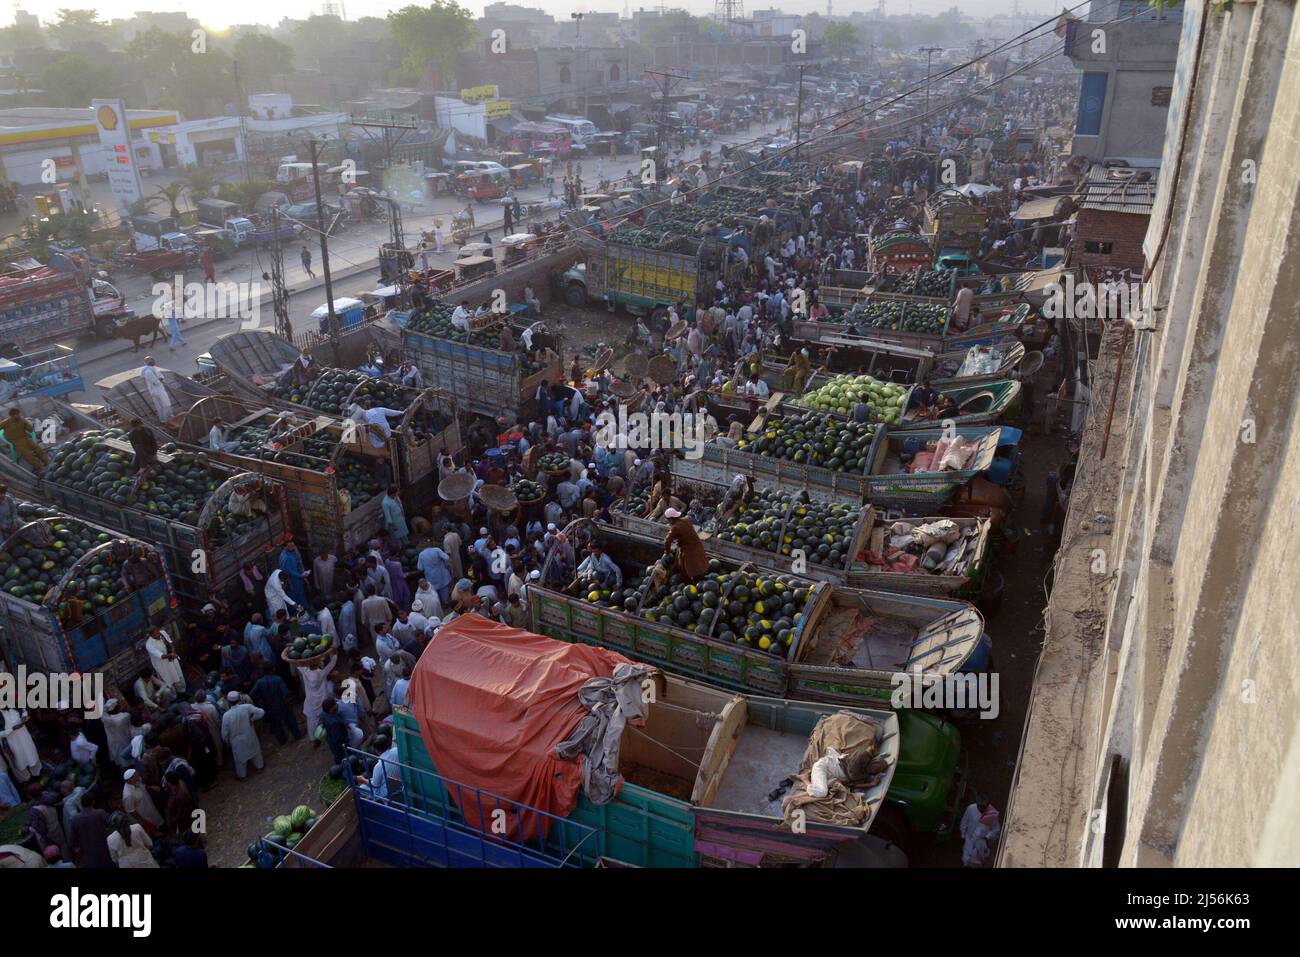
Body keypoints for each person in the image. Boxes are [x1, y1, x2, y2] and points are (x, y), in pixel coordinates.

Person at [250, 662, 301, 746]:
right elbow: (285, 692)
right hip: (282, 704)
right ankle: (297, 735)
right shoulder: (278, 679)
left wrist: (260, 699)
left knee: (276, 725)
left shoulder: (260, 682)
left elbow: (252, 693)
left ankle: (282, 741)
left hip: (269, 707)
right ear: (272, 670)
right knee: (290, 721)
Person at [220, 691, 265, 781]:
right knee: (255, 752)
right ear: (239, 699)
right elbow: (261, 712)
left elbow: (224, 732)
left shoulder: (226, 715)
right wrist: (252, 719)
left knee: (239, 760)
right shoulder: (247, 707)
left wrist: (226, 741)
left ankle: (242, 776)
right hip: (249, 735)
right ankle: (260, 767)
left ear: (228, 702)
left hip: (236, 741)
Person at [68, 792, 114, 868]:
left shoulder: (75, 819)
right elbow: (113, 825)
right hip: (105, 849)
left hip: (89, 852)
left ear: (81, 803)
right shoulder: (100, 813)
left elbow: (72, 841)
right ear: (93, 802)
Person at [663, 508, 709, 582]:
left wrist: (667, 552)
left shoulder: (675, 528)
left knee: (689, 568)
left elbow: (667, 542)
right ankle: (699, 579)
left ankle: (690, 582)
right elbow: (686, 533)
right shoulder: (686, 519)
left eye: (669, 520)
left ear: (671, 519)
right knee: (699, 565)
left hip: (688, 550)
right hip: (698, 545)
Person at [299, 652, 335, 741]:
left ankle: (314, 738)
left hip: (311, 700)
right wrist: (334, 653)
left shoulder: (305, 671)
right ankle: (327, 734)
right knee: (325, 717)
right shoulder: (320, 673)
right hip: (321, 699)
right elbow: (331, 664)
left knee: (312, 721)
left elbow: (298, 663)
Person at [0, 708, 40, 781]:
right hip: (11, 742)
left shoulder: (15, 706)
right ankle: (26, 781)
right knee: (18, 762)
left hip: (24, 736)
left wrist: (24, 717)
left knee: (32, 754)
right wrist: (12, 729)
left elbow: (24, 711)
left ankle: (38, 774)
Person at [960, 798, 1001, 867]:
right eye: (980, 807)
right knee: (966, 859)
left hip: (981, 840)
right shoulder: (971, 809)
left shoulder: (991, 812)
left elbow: (996, 828)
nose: (982, 809)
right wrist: (963, 834)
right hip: (969, 838)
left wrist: (988, 837)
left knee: (978, 859)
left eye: (984, 808)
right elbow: (964, 821)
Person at [145, 628, 186, 695]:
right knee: (168, 679)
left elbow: (170, 642)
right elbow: (161, 656)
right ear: (151, 635)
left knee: (178, 674)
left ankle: (182, 691)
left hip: (171, 658)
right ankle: (174, 696)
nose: (158, 635)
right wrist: (171, 654)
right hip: (162, 664)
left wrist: (173, 651)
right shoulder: (149, 645)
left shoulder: (163, 633)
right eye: (155, 634)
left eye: (158, 633)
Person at [277, 541, 310, 610]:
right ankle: (300, 610)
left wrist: (302, 572)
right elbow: (289, 571)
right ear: (285, 547)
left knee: (301, 594)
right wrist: (301, 575)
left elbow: (298, 562)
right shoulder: (285, 557)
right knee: (295, 595)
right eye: (291, 546)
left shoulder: (293, 551)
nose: (293, 547)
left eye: (293, 545)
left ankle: (305, 608)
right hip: (292, 580)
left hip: (298, 577)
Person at [140, 357, 172, 421]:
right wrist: (160, 379)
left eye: (153, 360)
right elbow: (155, 382)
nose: (153, 361)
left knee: (165, 404)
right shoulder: (148, 372)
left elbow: (161, 377)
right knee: (164, 405)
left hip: (159, 389)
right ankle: (164, 419)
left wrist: (161, 378)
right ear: (147, 362)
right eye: (150, 361)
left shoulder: (154, 369)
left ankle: (168, 417)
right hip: (156, 391)